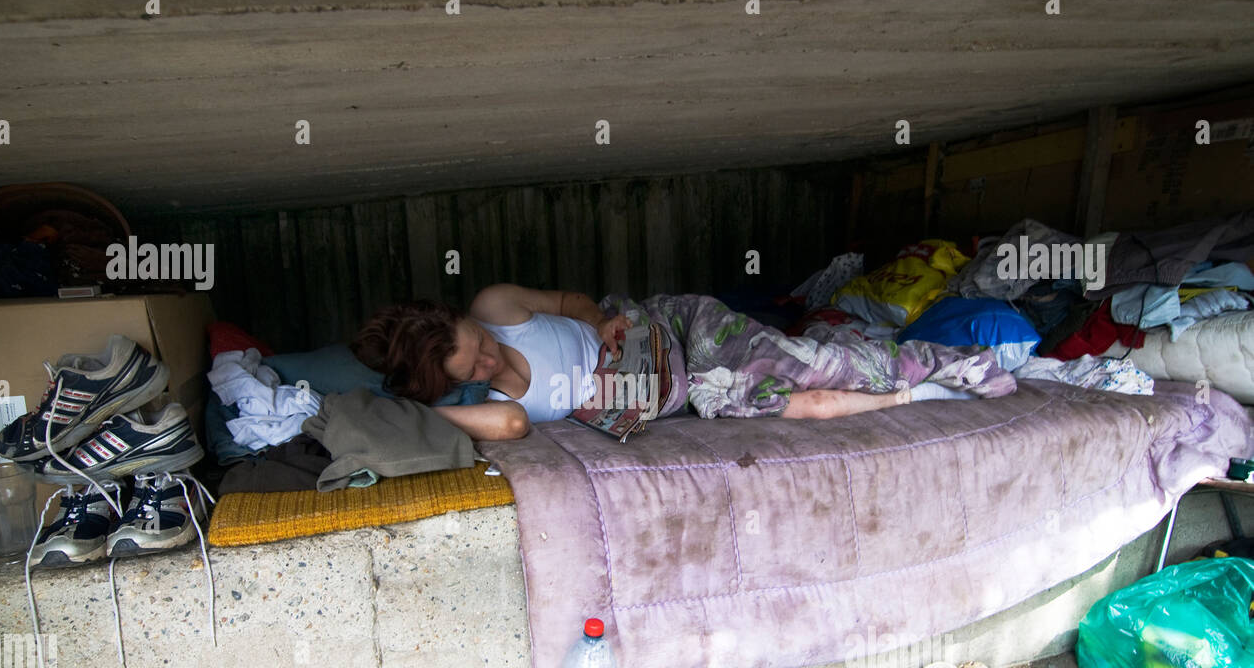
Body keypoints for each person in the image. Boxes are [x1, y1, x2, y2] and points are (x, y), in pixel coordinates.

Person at [350, 284, 1016, 441]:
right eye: (473, 365)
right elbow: (513, 430)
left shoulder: (496, 300)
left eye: (479, 339)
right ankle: (915, 394)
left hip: (673, 331)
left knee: (810, 361)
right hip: (696, 388)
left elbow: (570, 299)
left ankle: (954, 363)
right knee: (796, 400)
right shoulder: (497, 409)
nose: (489, 355)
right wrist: (426, 406)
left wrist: (600, 323)